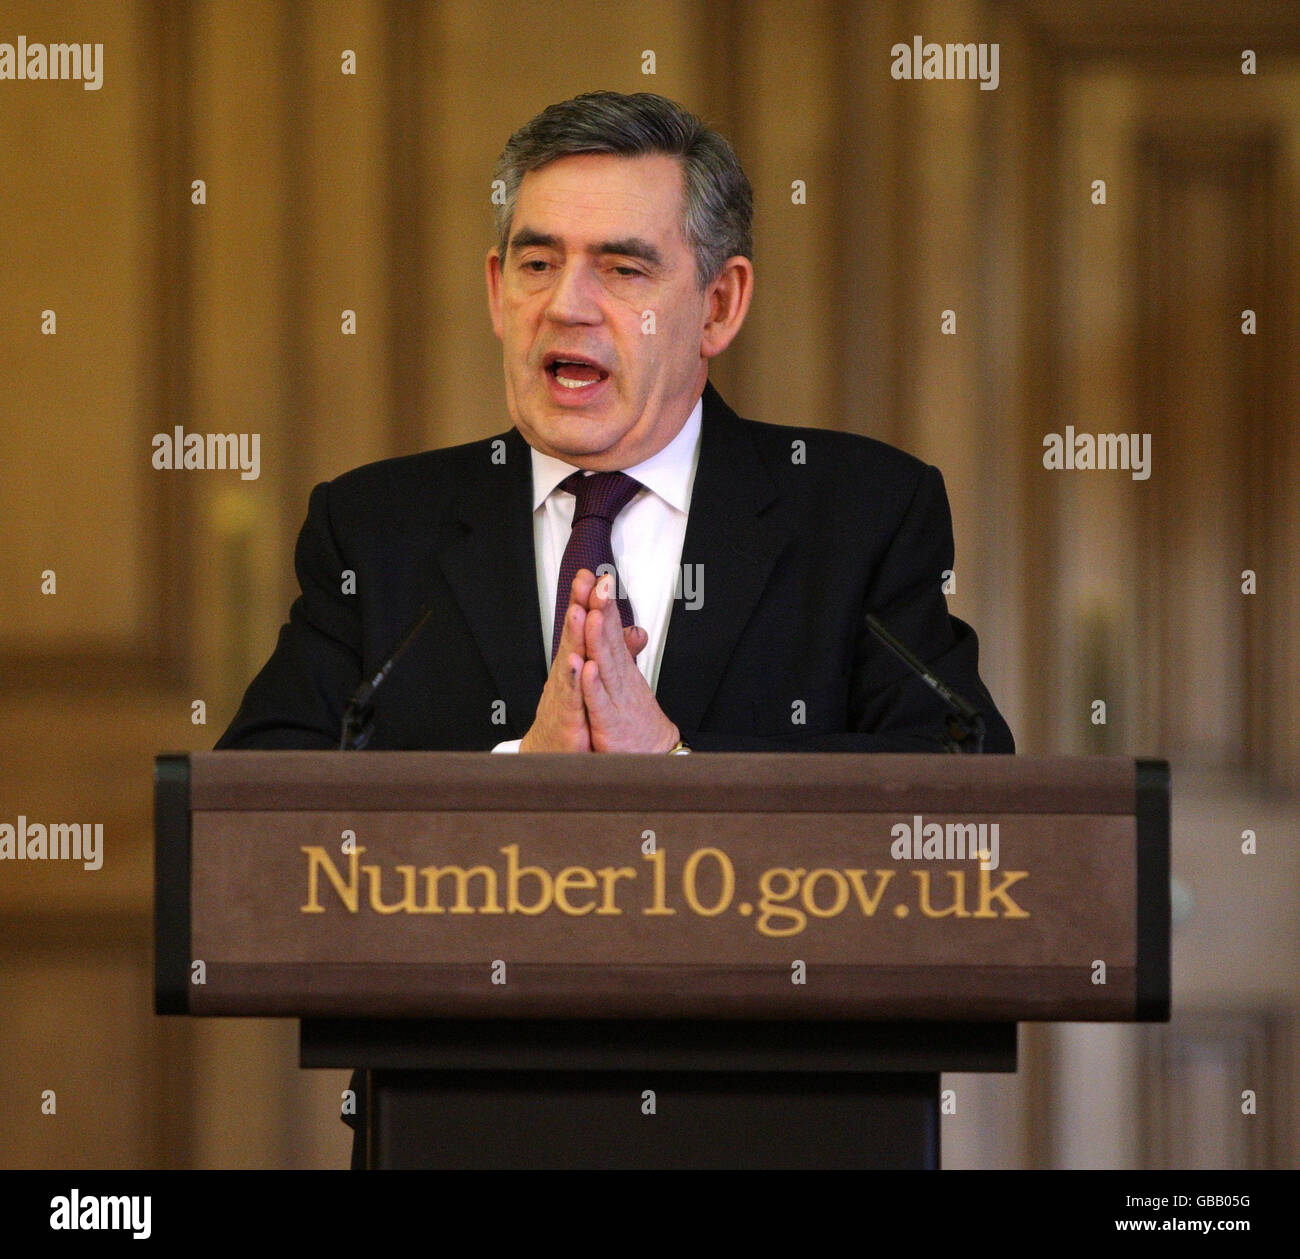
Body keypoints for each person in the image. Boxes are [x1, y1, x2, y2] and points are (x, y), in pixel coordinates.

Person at [216, 91, 1014, 1164]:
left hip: (789, 1133)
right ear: (497, 290)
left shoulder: (858, 511)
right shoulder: (379, 528)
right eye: (537, 264)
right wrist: (514, 780)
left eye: (624, 269)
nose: (567, 305)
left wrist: (677, 769)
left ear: (719, 305)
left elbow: (967, 795)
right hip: (462, 1130)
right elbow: (250, 834)